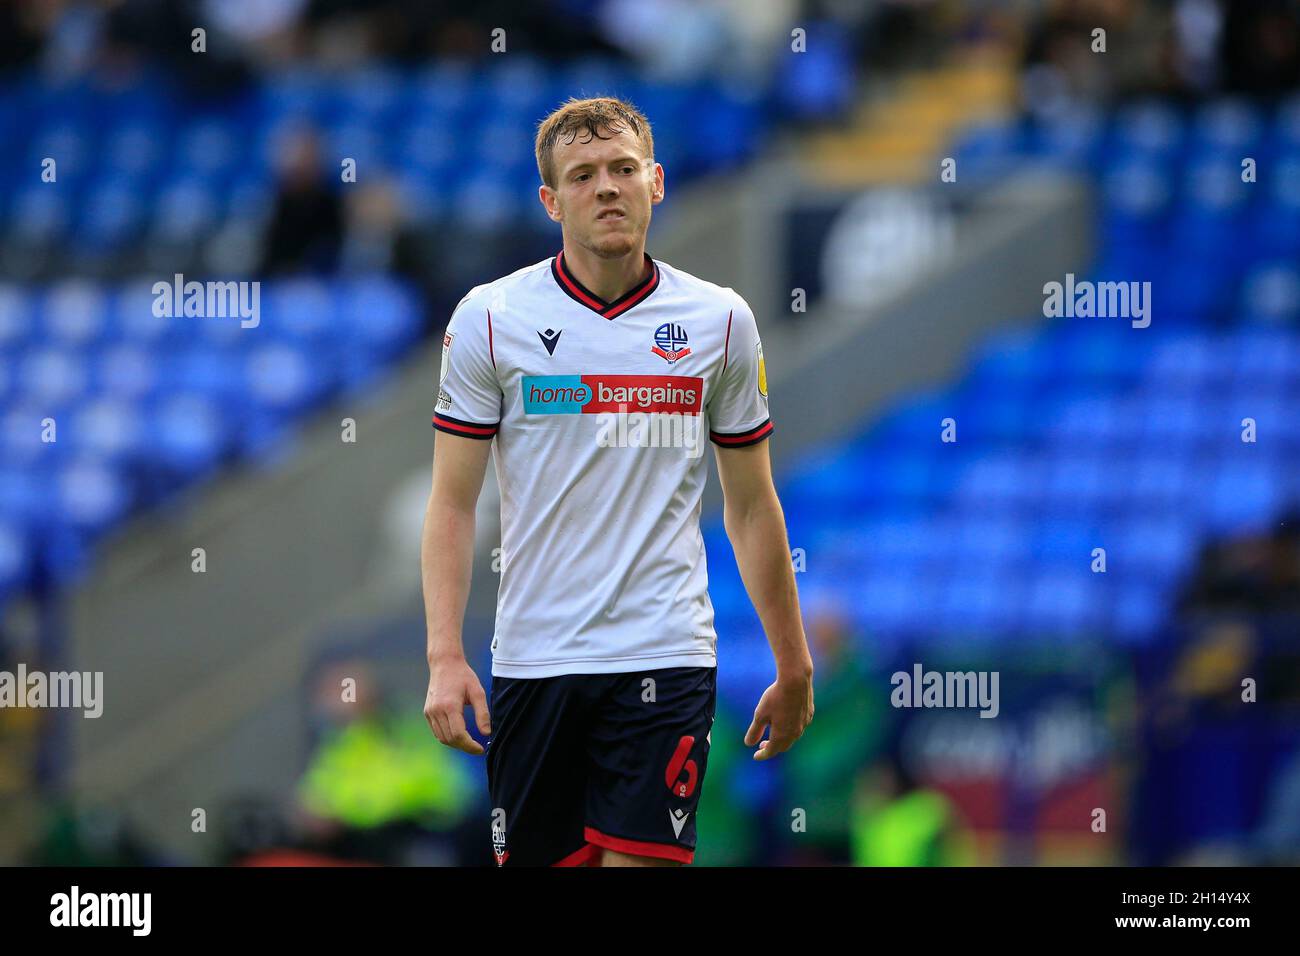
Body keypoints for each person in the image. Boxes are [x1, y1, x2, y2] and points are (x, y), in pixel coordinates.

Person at [420, 96, 813, 867]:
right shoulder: (490, 319)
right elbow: (453, 503)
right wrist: (443, 655)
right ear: (551, 199)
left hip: (663, 653)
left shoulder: (720, 321)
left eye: (624, 169)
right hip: (536, 660)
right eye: (584, 174)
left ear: (656, 182)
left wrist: (792, 659)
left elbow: (752, 504)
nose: (607, 187)